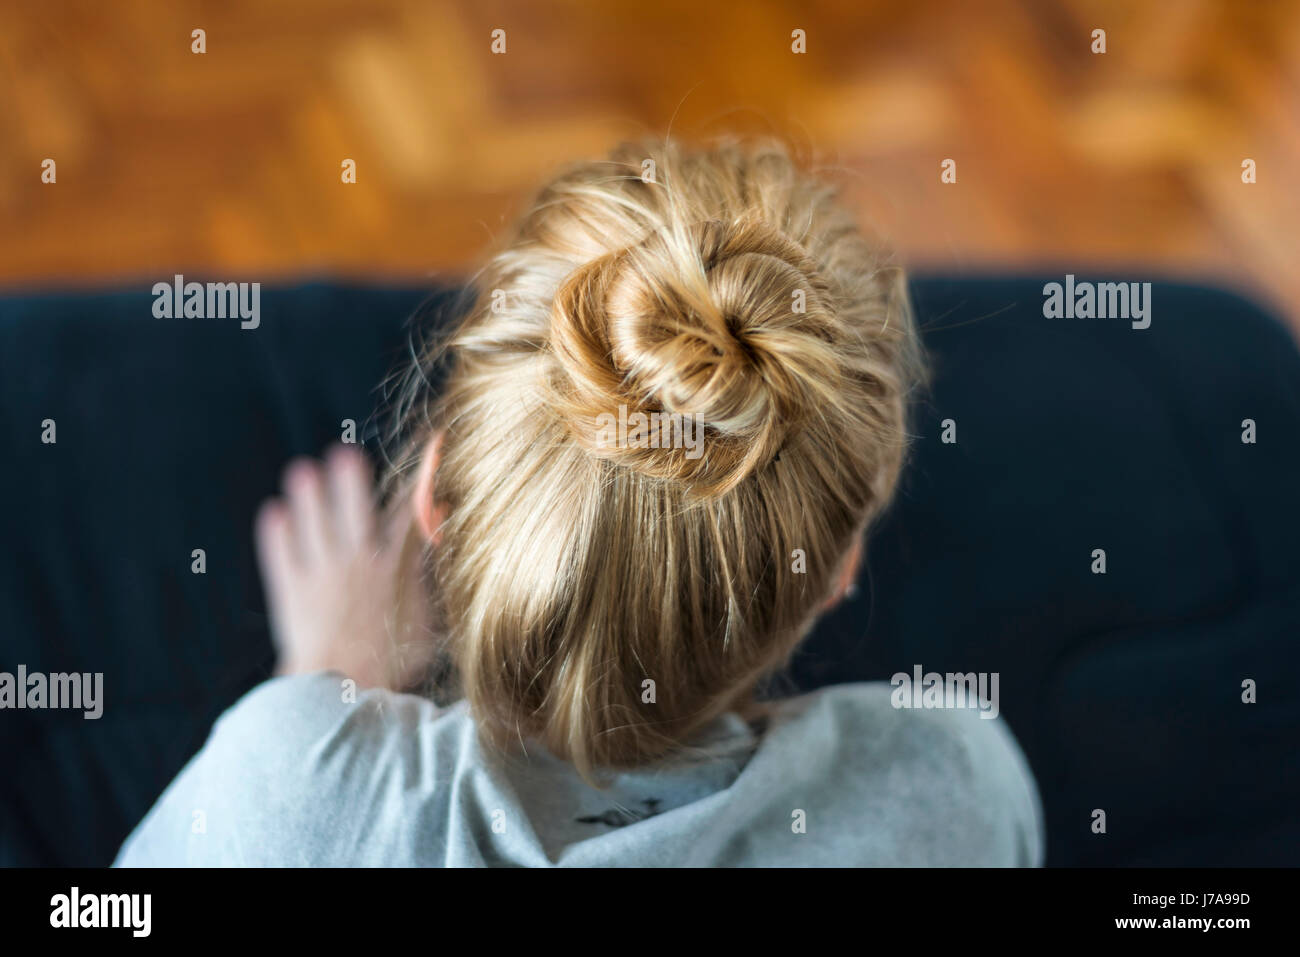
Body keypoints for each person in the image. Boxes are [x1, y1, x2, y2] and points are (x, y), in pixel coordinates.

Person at [114, 138, 1043, 866]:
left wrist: (325, 686)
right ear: (839, 568)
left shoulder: (283, 796)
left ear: (433, 495)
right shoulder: (949, 785)